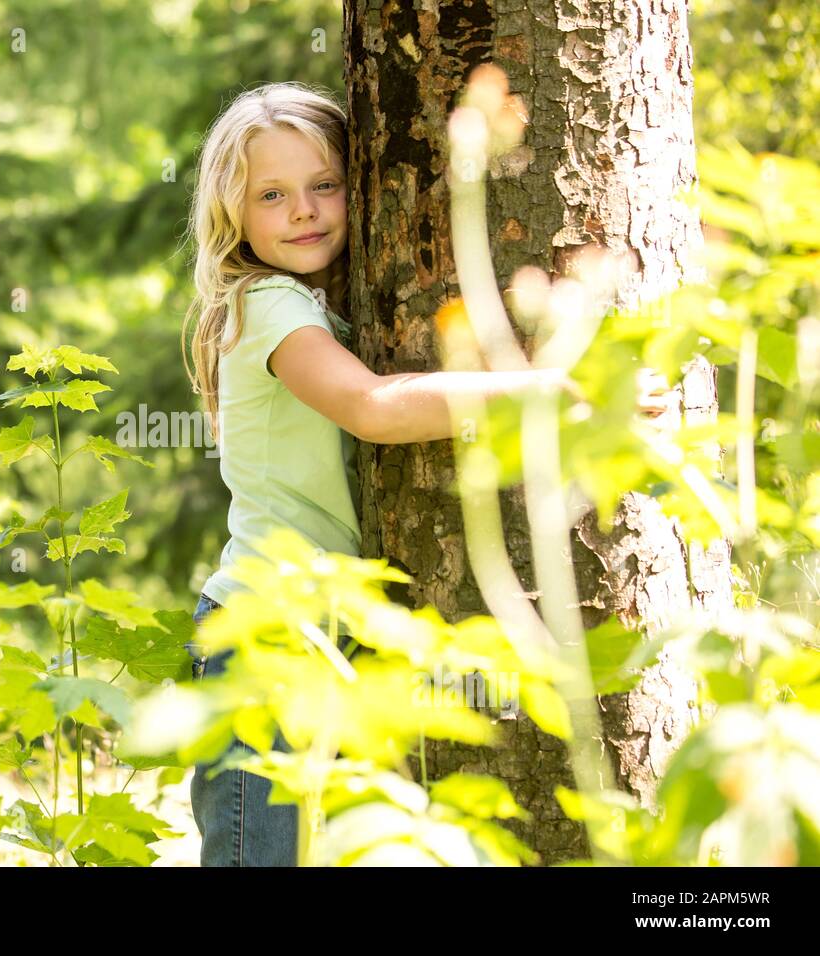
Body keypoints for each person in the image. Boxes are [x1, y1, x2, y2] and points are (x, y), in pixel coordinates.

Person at [178, 81, 665, 867]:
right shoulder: (266, 304)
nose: (303, 210)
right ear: (232, 214)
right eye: (272, 195)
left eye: (323, 185)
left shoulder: (327, 304)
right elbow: (375, 409)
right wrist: (549, 390)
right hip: (268, 640)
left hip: (333, 634)